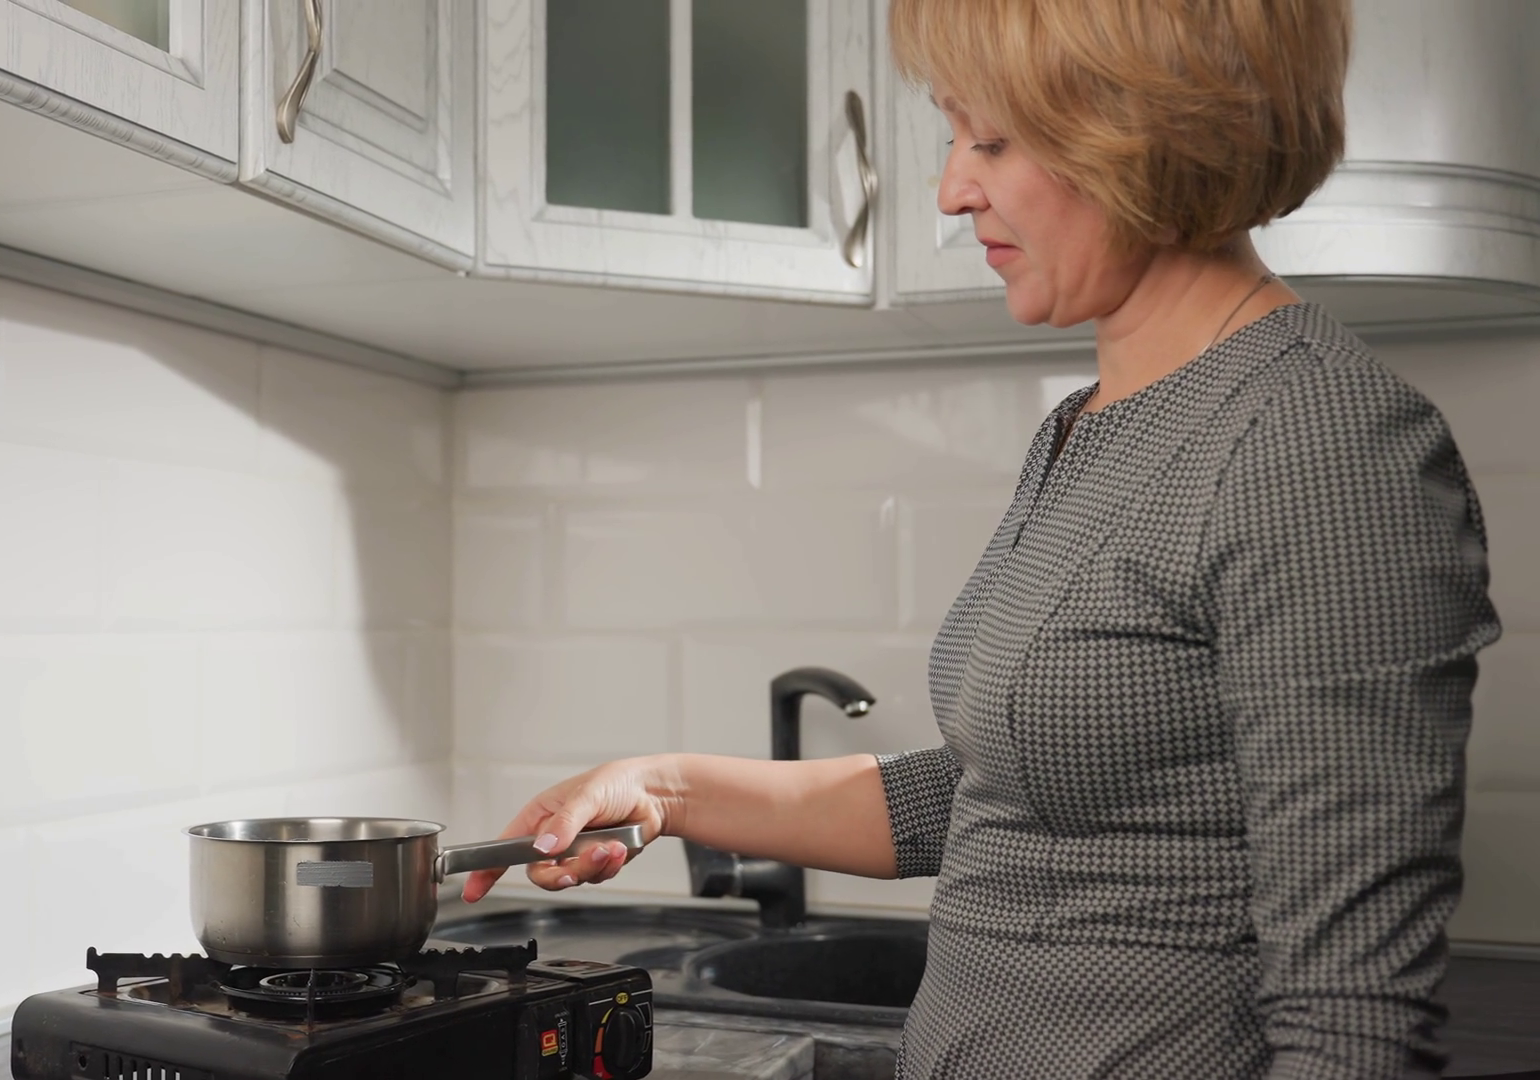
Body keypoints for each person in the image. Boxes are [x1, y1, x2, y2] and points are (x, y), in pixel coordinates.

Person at [461, 0, 1502, 1077]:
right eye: (956, 136)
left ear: (1154, 126)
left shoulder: (1323, 446)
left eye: (993, 141)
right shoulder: (1088, 426)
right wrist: (668, 790)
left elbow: (1355, 1031)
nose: (953, 189)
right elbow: (1002, 791)